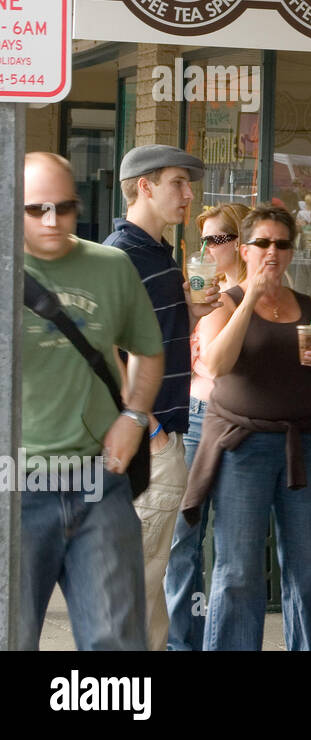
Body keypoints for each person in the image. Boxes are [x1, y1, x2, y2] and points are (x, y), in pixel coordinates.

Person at [180, 204, 311, 650]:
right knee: (237, 569)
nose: (273, 251)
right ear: (246, 248)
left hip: (302, 446)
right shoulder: (225, 301)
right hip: (242, 448)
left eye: (282, 243)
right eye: (263, 243)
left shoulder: (310, 308)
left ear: (291, 251)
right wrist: (250, 297)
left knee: (309, 565)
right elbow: (214, 364)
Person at [19, 152, 164, 650]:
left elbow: (148, 349)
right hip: (13, 485)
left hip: (97, 481)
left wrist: (132, 415)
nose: (52, 220)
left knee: (117, 645)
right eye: (35, 209)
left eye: (64, 207)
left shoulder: (111, 265)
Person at [103, 144, 217, 651]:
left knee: (149, 595)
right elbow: (102, 346)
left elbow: (144, 340)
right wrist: (145, 425)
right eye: (178, 182)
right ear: (144, 186)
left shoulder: (158, 253)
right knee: (138, 594)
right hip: (149, 446)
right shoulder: (123, 254)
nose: (189, 195)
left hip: (161, 437)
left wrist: (187, 316)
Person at [164, 201, 250, 651]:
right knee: (184, 538)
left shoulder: (253, 291)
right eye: (205, 240)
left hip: (239, 421)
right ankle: (182, 641)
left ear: (241, 241)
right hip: (197, 416)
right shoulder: (205, 291)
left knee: (231, 543)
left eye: (220, 238)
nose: (210, 248)